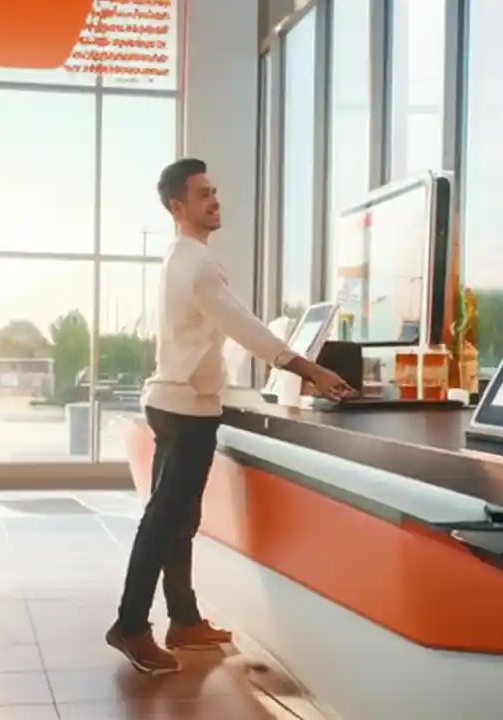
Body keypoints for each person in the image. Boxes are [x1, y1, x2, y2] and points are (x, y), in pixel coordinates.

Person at [106, 158, 356, 674]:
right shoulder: (195, 262)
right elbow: (241, 324)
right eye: (202, 195)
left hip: (178, 402)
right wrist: (308, 368)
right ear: (178, 207)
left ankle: (184, 619)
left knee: (178, 521)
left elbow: (223, 328)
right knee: (164, 523)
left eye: (214, 191)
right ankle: (130, 626)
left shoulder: (184, 256)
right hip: (184, 409)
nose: (214, 200)